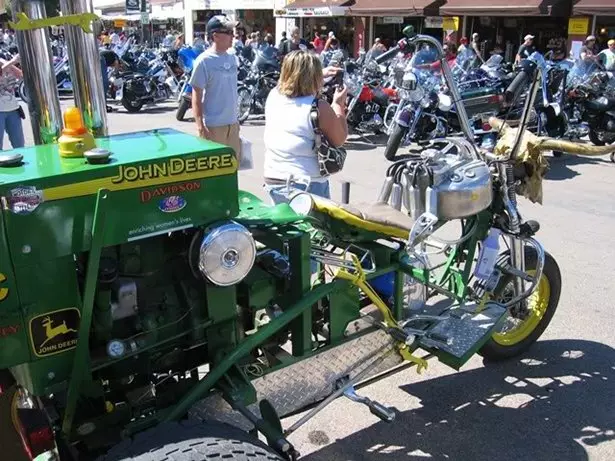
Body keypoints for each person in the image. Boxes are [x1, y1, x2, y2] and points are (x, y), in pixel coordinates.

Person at [263, 50, 348, 203]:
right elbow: (339, 139)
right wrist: (338, 105)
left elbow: (295, 76)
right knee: (315, 226)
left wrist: (322, 72)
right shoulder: (317, 107)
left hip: (274, 178)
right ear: (314, 76)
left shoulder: (274, 95)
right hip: (307, 184)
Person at [190, 15, 241, 163]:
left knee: (233, 169)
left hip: (232, 124)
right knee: (217, 172)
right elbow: (196, 96)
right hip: (214, 126)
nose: (233, 36)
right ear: (216, 36)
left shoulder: (232, 57)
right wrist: (200, 127)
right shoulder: (204, 61)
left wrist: (235, 124)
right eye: (229, 32)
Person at [0, 56, 24, 150]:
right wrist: (12, 61)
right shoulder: (8, 63)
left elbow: (20, 75)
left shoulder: (4, 61)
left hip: (13, 110)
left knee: (20, 145)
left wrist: (12, 63)